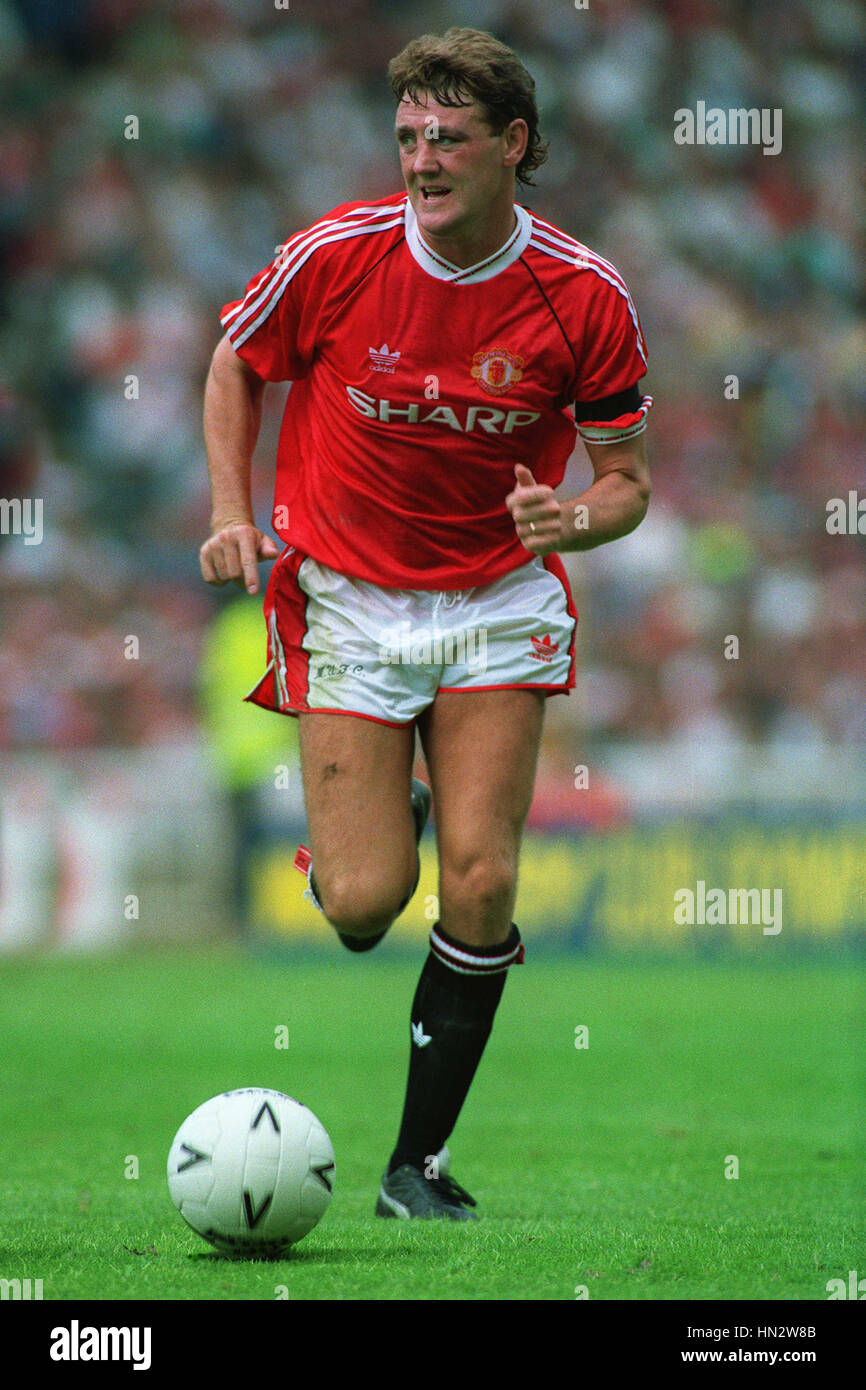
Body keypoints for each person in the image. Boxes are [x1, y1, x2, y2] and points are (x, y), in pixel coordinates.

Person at [199, 27, 652, 1221]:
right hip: (348, 591)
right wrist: (228, 511)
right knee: (356, 904)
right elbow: (236, 362)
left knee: (483, 878)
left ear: (511, 145)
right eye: (405, 136)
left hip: (496, 599)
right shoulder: (335, 256)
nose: (419, 158)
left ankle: (417, 1165)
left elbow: (628, 482)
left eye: (445, 136)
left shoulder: (582, 296)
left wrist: (572, 521)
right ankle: (382, 813)